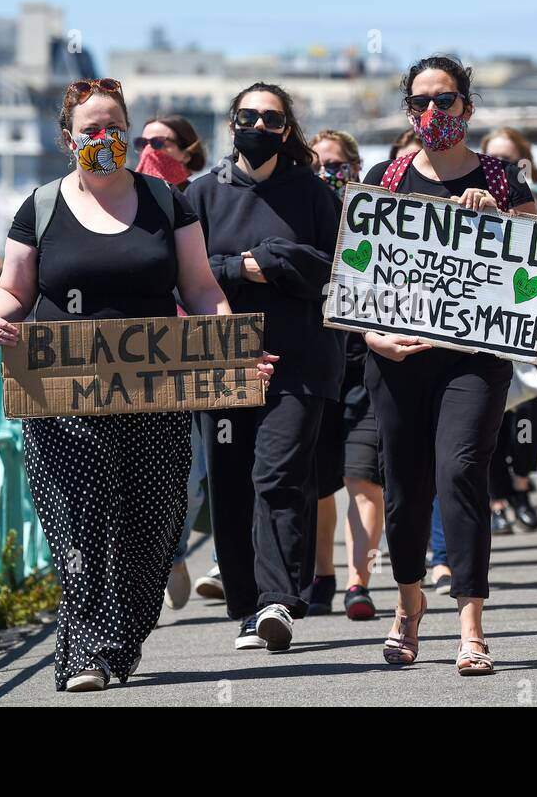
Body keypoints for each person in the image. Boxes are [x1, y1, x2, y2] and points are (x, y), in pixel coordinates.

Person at [0, 77, 274, 692]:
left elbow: (200, 289)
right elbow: (14, 288)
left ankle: (120, 643)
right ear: (69, 139)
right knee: (78, 524)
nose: (104, 138)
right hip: (61, 395)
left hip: (156, 394)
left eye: (115, 126)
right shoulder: (39, 208)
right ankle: (83, 652)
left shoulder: (168, 203)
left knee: (152, 529)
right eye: (91, 129)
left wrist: (230, 350)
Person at [361, 56, 537, 675]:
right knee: (405, 486)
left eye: (447, 100)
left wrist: (502, 219)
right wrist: (373, 338)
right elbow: (358, 274)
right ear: (410, 109)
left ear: (467, 104)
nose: (434, 112)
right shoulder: (386, 178)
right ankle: (408, 608)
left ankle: (471, 625)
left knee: (460, 470)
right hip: (399, 359)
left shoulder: (503, 177)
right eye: (422, 102)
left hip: (475, 358)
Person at [185, 82, 343, 653]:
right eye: (247, 115)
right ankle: (248, 603)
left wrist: (270, 259)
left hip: (299, 364)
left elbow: (336, 268)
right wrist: (241, 269)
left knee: (277, 478)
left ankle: (278, 601)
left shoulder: (314, 193)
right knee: (229, 486)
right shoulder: (199, 195)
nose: (258, 125)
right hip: (222, 364)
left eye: (271, 118)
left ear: (287, 129)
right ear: (231, 122)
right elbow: (185, 273)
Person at [132, 113, 214, 610]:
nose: (146, 148)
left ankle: (176, 548)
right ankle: (158, 559)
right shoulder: (124, 201)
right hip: (139, 360)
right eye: (141, 140)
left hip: (196, 355)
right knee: (142, 472)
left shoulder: (199, 199)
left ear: (186, 151)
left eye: (158, 142)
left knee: (195, 473)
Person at [305, 130, 385, 620]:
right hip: (316, 367)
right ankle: (322, 575)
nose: (327, 174)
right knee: (318, 484)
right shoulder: (301, 216)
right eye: (317, 165)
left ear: (355, 166)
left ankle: (359, 581)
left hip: (367, 367)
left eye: (336, 165)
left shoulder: (379, 217)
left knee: (364, 477)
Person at [478, 126, 537, 533]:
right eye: (496, 159)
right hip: (486, 319)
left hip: (531, 318)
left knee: (529, 407)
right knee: (488, 410)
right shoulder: (472, 203)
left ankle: (522, 482)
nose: (506, 167)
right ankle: (496, 499)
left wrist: (518, 224)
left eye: (512, 159)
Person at [134, 113, 206, 191]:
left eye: (158, 142)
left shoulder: (196, 199)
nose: (148, 150)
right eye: (142, 143)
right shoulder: (127, 196)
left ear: (186, 155)